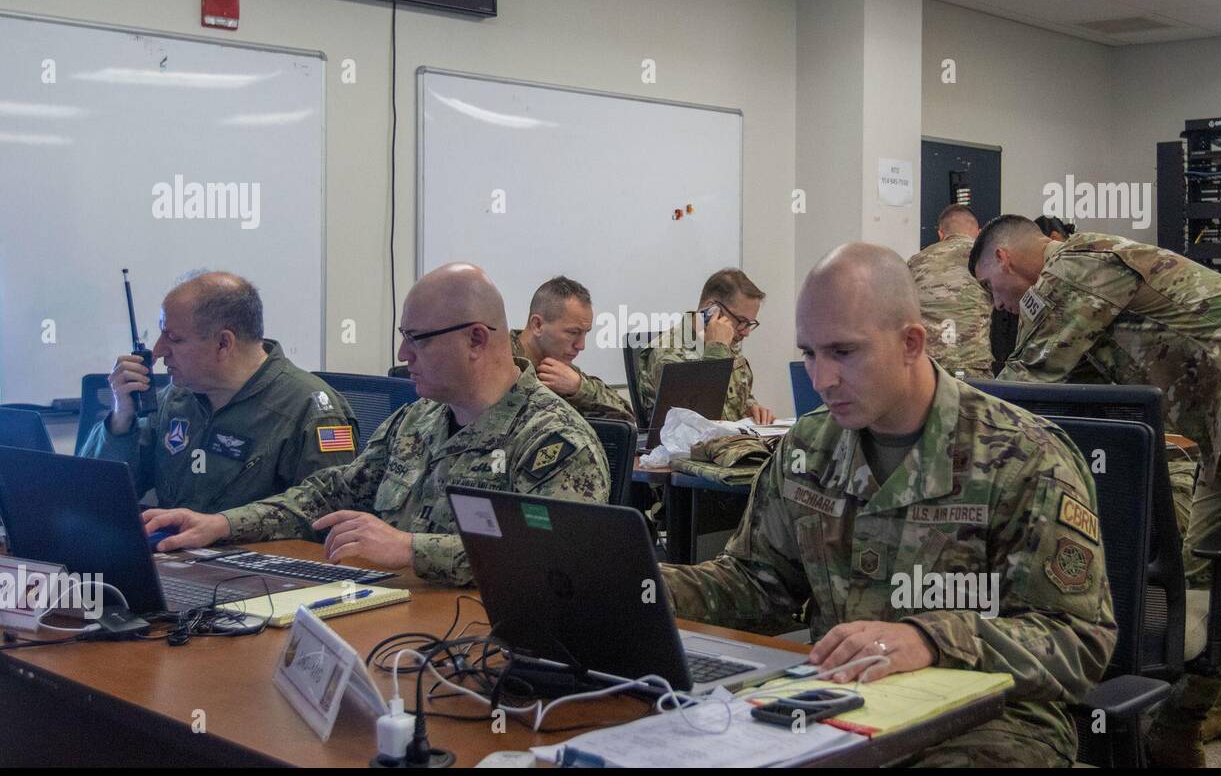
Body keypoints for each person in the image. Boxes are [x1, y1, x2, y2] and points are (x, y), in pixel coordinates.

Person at [662, 243, 1115, 766]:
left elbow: (1079, 642)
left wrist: (931, 638)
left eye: (844, 352)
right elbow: (757, 585)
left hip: (991, 718)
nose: (820, 379)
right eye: (809, 353)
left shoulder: (1022, 457)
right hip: (839, 704)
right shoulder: (809, 449)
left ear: (910, 342)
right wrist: (646, 587)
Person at [969, 215, 1221, 767]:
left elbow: (1024, 389)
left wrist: (937, 413)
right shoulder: (1083, 282)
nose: (996, 305)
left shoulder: (1076, 266)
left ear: (1004, 259)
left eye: (988, 288)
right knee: (1202, 573)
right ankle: (1178, 729)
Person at [140, 264, 611, 586]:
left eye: (417, 340)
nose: (403, 356)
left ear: (475, 339)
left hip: (484, 648)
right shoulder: (417, 419)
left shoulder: (555, 441)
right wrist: (221, 524)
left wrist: (410, 550)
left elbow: (548, 561)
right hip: (388, 624)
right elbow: (328, 493)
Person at [80, 271, 358, 513]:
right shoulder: (175, 399)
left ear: (224, 343)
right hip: (175, 558)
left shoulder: (312, 411)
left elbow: (330, 516)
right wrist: (120, 421)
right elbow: (94, 495)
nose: (158, 351)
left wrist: (223, 527)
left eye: (173, 338)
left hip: (256, 568)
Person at [639, 268, 774, 424]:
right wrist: (716, 350)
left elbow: (739, 398)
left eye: (750, 324)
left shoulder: (727, 344)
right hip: (693, 446)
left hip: (734, 442)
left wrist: (752, 408)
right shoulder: (667, 351)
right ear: (711, 309)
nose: (746, 332)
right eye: (741, 321)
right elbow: (695, 420)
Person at [511, 276, 635, 423]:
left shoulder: (560, 369)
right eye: (573, 333)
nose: (581, 346)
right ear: (537, 325)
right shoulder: (496, 365)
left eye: (585, 333)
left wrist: (580, 388)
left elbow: (626, 417)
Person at [907, 204, 993, 379]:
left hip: (927, 368)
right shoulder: (987, 258)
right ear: (979, 232)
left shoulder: (915, 261)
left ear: (940, 234)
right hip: (974, 366)